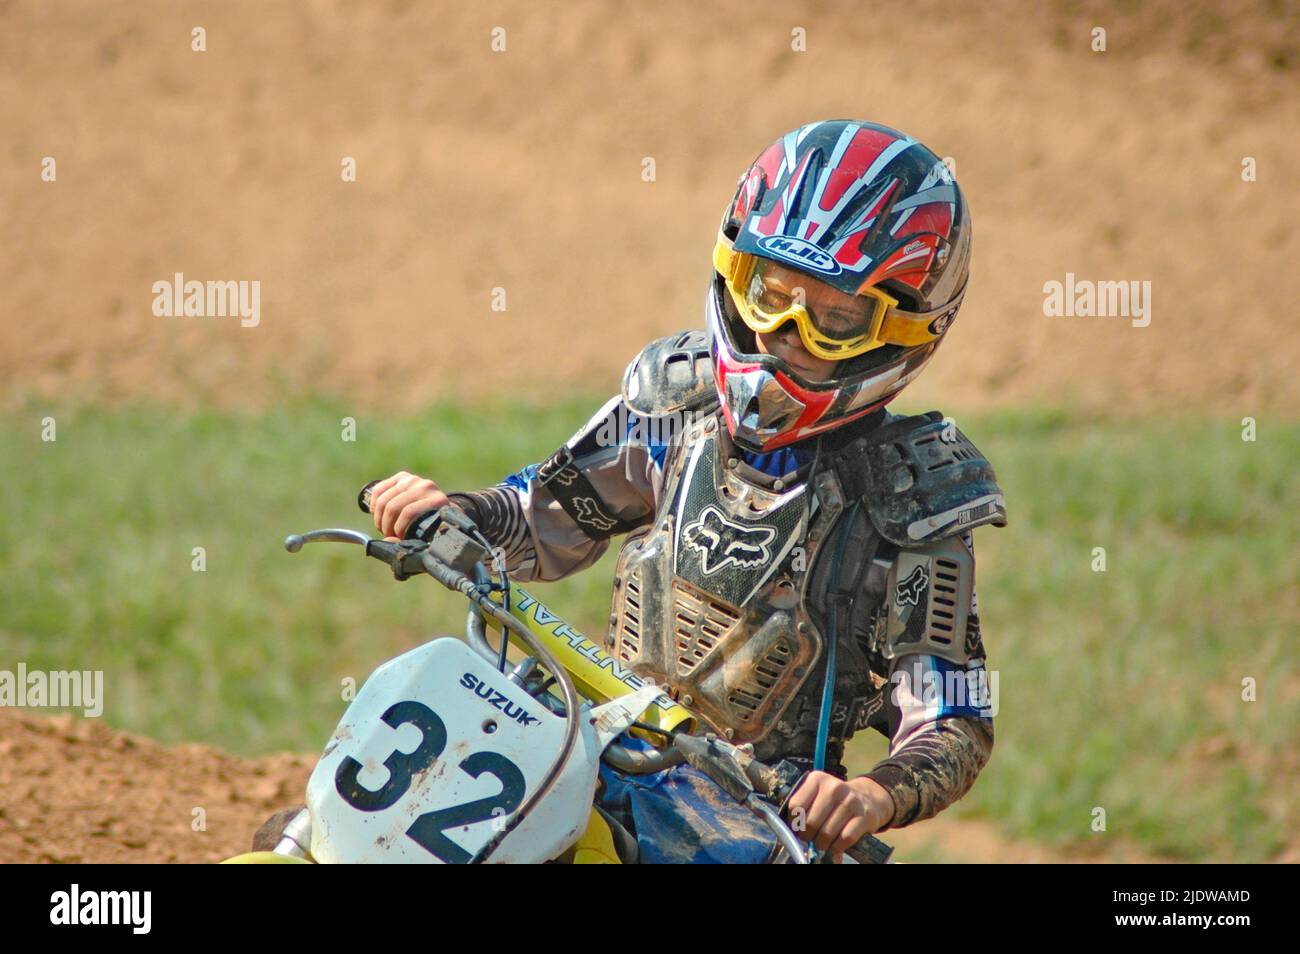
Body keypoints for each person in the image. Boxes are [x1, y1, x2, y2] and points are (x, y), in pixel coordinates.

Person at [368, 120, 1006, 863]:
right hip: (604, 751)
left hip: (760, 826)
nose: (787, 333)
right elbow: (540, 520)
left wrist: (871, 794)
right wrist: (454, 512)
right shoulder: (677, 404)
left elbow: (954, 714)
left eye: (834, 317)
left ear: (905, 328)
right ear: (737, 275)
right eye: (773, 294)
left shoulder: (913, 499)